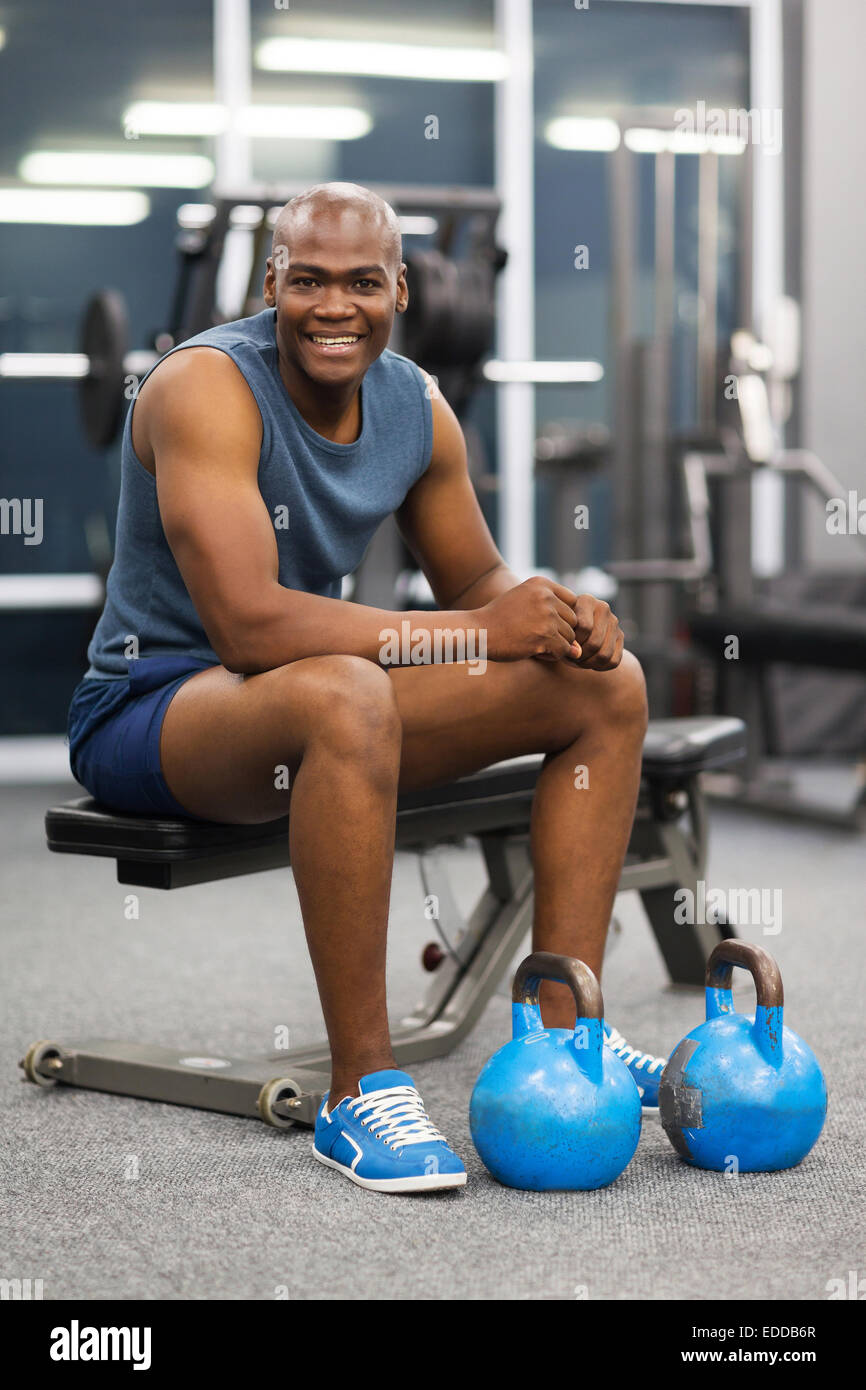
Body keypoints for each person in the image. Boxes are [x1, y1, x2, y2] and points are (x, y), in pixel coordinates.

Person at [67, 181, 664, 1194]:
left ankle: (567, 1036)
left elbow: (476, 587)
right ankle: (359, 1090)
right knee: (344, 693)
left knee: (604, 687)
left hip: (305, 696)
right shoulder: (202, 387)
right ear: (271, 284)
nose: (332, 307)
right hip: (155, 706)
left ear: (399, 289)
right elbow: (249, 626)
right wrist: (475, 631)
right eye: (307, 281)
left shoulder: (416, 408)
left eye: (359, 282)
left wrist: (556, 617)